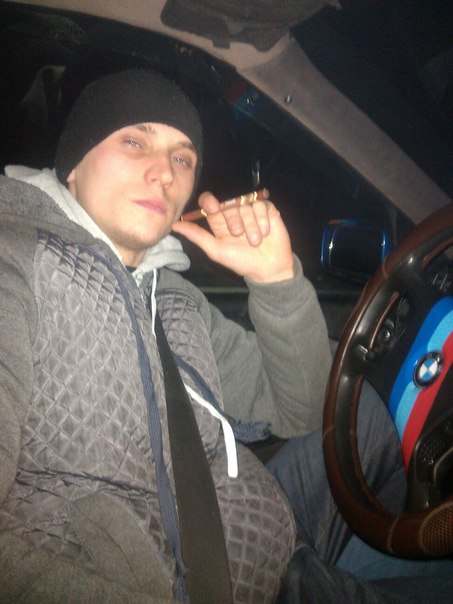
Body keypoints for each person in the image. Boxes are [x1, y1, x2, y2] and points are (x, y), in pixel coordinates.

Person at [0, 68, 332, 602]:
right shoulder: (14, 262)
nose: (164, 174)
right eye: (135, 141)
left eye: (183, 158)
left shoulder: (177, 298)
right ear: (73, 165)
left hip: (279, 554)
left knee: (371, 412)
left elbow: (302, 410)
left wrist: (275, 281)